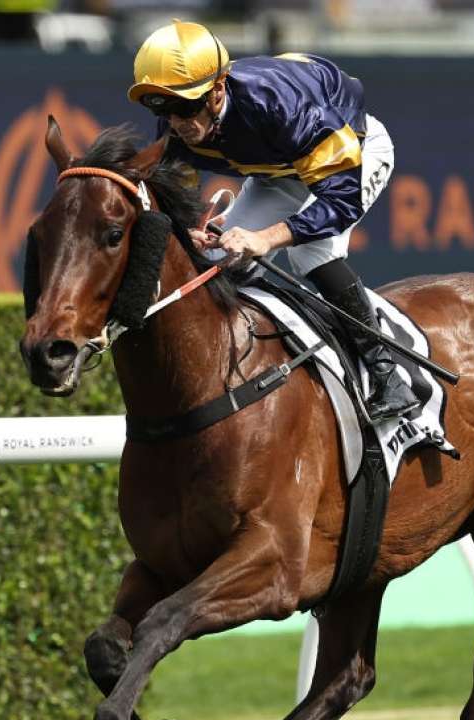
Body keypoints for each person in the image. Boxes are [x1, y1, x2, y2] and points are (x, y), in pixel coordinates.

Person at [126, 20, 418, 422]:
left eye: (184, 107)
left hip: (351, 152)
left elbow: (341, 200)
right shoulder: (176, 129)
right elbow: (179, 198)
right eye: (160, 108)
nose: (176, 123)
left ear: (217, 91)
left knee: (309, 253)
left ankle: (388, 373)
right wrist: (195, 230)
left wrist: (266, 238)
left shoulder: (280, 105)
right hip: (279, 171)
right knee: (220, 260)